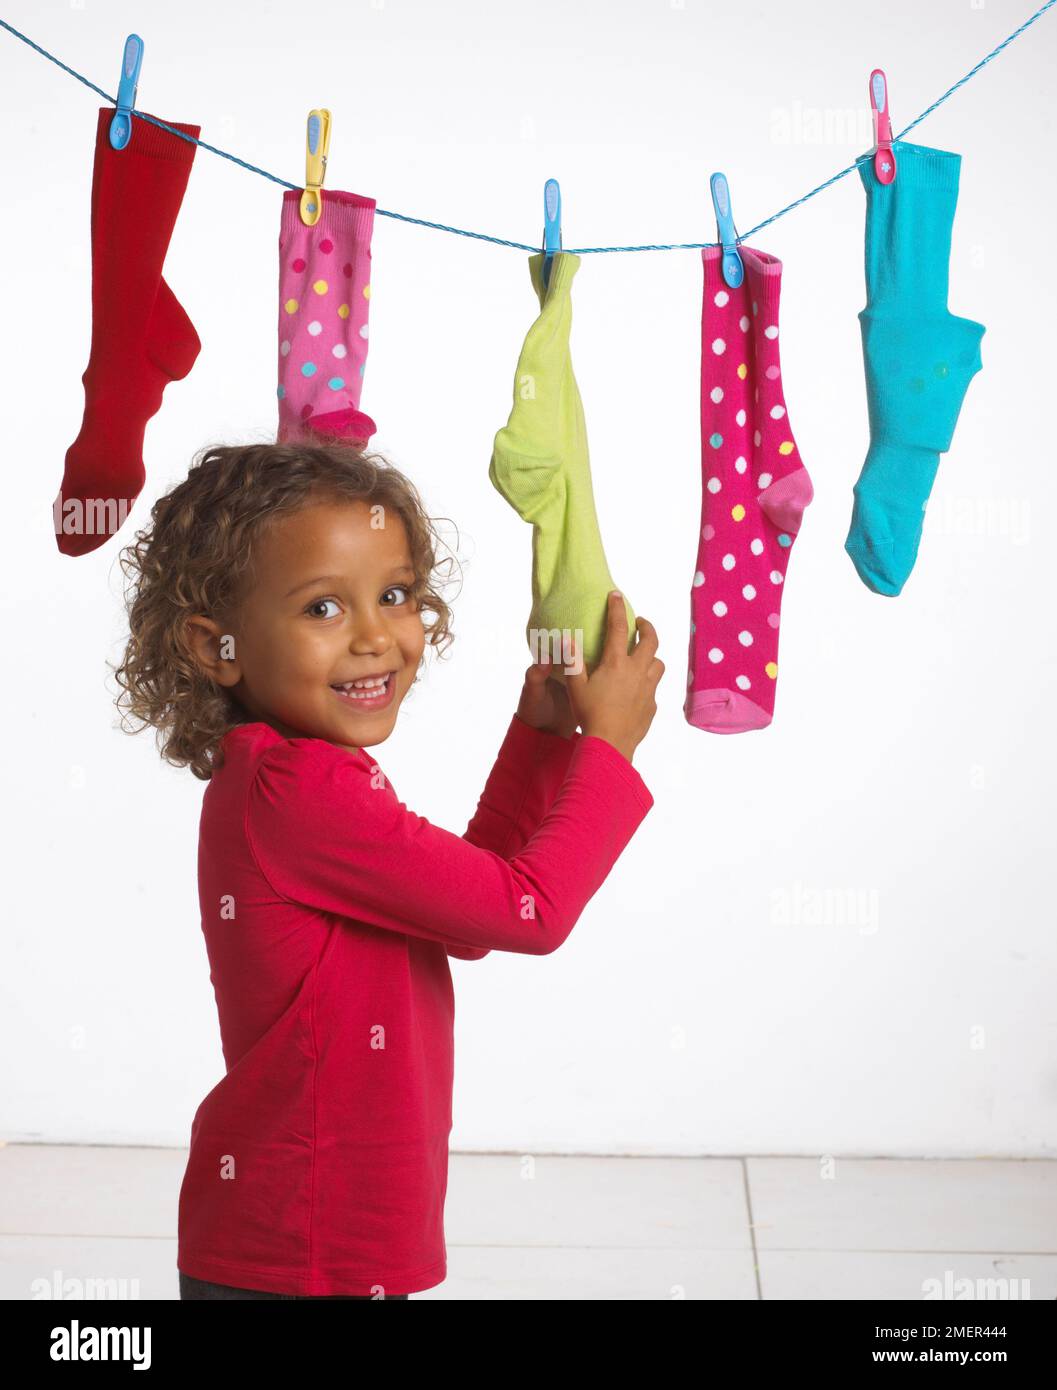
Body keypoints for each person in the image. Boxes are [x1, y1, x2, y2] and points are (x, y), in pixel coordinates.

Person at [112, 438, 662, 1299]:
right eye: (323, 609)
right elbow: (532, 914)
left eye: (395, 595)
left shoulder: (289, 776)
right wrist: (610, 750)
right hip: (301, 1247)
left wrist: (545, 738)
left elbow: (474, 910)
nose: (375, 636)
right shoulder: (301, 790)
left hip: (318, 1236)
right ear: (219, 647)